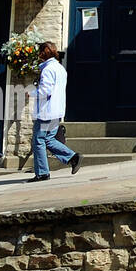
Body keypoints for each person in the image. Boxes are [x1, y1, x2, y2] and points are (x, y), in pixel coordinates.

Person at [30, 42, 79, 181]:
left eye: (39, 52)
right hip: (56, 111)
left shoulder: (48, 70)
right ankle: (73, 157)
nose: (38, 55)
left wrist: (32, 93)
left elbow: (45, 90)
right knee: (49, 139)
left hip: (46, 112)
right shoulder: (60, 68)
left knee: (38, 140)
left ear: (43, 53)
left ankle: (42, 173)